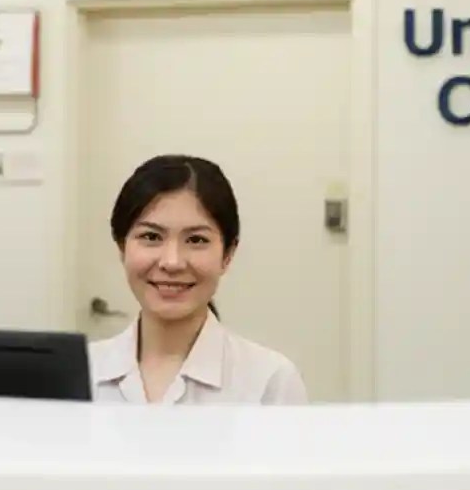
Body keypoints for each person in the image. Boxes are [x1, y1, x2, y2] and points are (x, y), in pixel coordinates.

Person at [88, 154, 308, 405]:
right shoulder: (80, 374)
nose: (172, 262)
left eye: (196, 240)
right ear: (121, 246)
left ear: (228, 254)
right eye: (151, 236)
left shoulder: (270, 381)